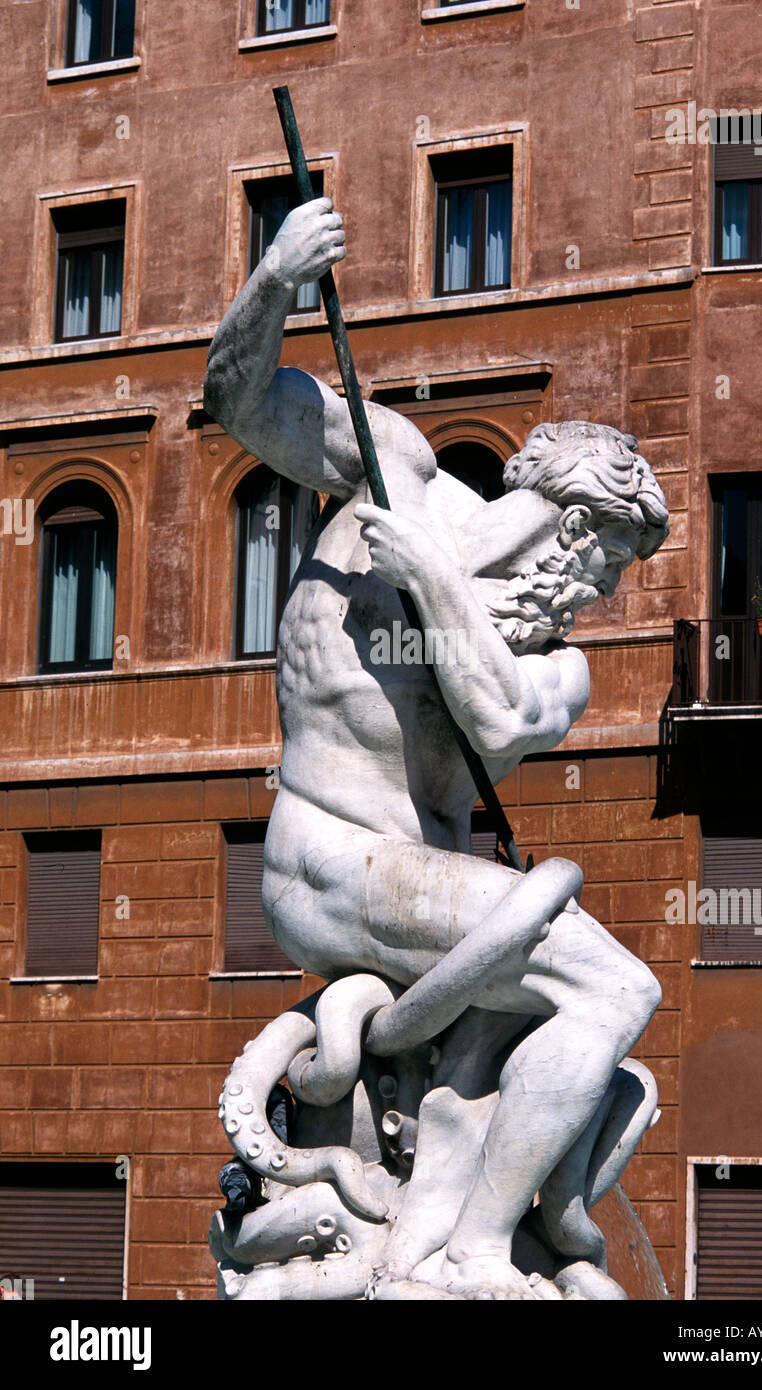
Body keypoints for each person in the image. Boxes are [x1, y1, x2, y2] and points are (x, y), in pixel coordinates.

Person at [204, 196, 670, 1298]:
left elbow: (502, 720)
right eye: (605, 560)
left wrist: (436, 586)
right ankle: (469, 1248)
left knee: (581, 1023)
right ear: (565, 522)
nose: (598, 592)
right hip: (327, 856)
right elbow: (235, 403)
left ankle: (483, 1218)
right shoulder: (393, 470)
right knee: (613, 988)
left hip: (433, 899)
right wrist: (275, 278)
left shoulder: (556, 665)